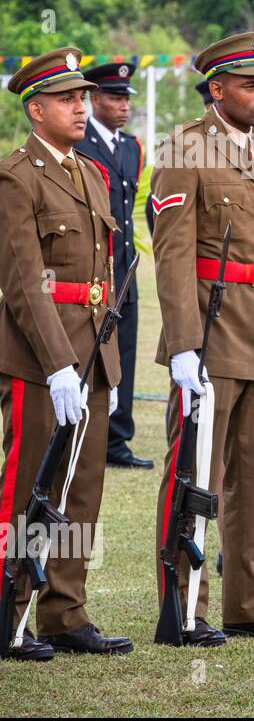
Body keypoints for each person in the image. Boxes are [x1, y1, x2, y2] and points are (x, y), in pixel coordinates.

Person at [152, 31, 254, 643]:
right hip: (213, 332)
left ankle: (250, 603)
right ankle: (183, 606)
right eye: (250, 85)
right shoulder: (184, 148)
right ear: (216, 89)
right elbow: (171, 254)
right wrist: (185, 345)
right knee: (196, 472)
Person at [0, 47, 129, 659]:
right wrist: (56, 365)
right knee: (29, 486)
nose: (82, 107)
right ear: (36, 109)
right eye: (69, 100)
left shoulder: (89, 172)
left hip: (94, 352)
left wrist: (91, 360)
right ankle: (8, 607)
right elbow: (26, 282)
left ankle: (64, 612)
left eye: (83, 98)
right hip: (39, 358)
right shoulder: (16, 176)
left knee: (82, 488)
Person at [77, 61, 151, 470]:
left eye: (126, 98)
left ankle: (118, 441)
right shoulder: (80, 143)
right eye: (114, 97)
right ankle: (89, 438)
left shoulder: (132, 148)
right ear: (93, 99)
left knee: (124, 354)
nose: (123, 106)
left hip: (125, 269)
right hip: (92, 271)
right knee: (91, 356)